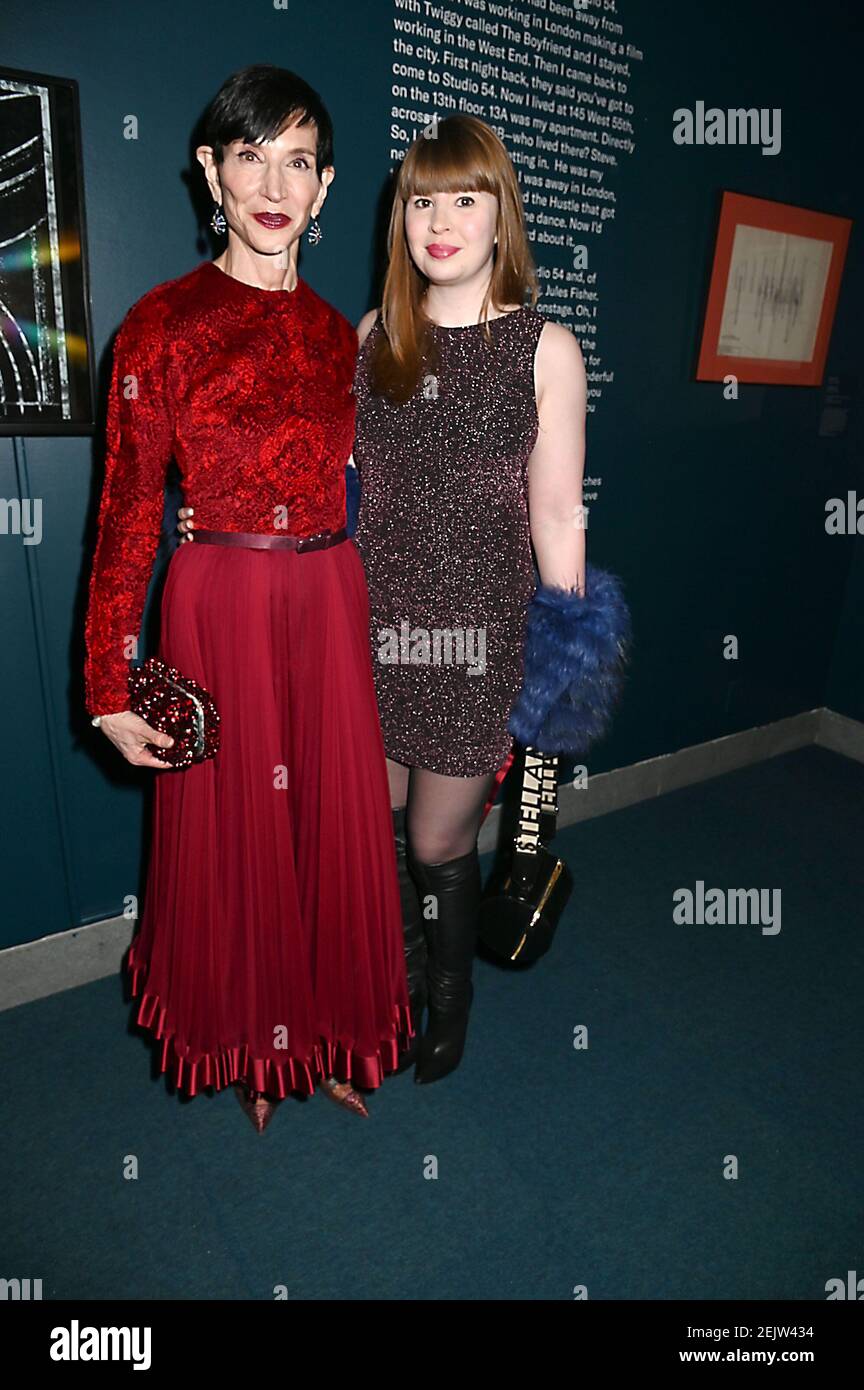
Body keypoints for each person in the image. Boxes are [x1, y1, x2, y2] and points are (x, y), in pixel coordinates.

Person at [178, 114, 588, 1086]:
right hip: (368, 631)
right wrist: (231, 518)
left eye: (464, 198)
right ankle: (397, 987)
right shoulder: (373, 338)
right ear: (398, 216)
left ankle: (451, 999)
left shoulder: (545, 349)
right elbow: (323, 476)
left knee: (438, 839)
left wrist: (566, 677)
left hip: (477, 645)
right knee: (371, 830)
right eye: (421, 200)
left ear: (501, 215)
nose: (439, 220)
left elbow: (560, 520)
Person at [84, 65, 412, 1133]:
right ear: (210, 174)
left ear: (327, 188)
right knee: (236, 841)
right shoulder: (159, 327)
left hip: (328, 594)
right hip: (216, 599)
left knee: (330, 825)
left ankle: (328, 1037)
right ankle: (252, 1046)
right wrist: (106, 684)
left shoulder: (338, 338)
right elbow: (128, 514)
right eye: (250, 155)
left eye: (299, 160)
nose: (274, 182)